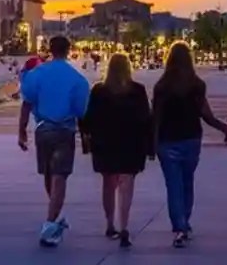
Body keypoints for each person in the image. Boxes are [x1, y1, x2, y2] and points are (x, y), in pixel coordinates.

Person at [153, 42, 227, 249]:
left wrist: (151, 144)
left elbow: (156, 118)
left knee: (173, 186)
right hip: (191, 139)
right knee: (187, 182)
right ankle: (185, 222)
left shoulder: (161, 87)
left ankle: (179, 227)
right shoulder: (197, 85)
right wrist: (224, 128)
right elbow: (206, 114)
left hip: (167, 141)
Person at [19, 35, 91, 248]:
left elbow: (27, 102)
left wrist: (21, 131)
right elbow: (82, 111)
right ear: (68, 50)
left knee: (49, 175)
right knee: (59, 176)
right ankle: (51, 220)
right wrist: (86, 133)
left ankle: (53, 217)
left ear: (50, 49)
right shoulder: (77, 79)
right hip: (64, 130)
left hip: (43, 130)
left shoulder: (36, 75)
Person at [78, 53, 153, 249]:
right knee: (126, 184)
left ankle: (110, 224)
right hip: (131, 144)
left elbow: (88, 119)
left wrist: (87, 136)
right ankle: (124, 225)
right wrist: (150, 146)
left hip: (105, 144)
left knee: (108, 183)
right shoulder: (138, 91)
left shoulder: (99, 91)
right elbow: (146, 119)